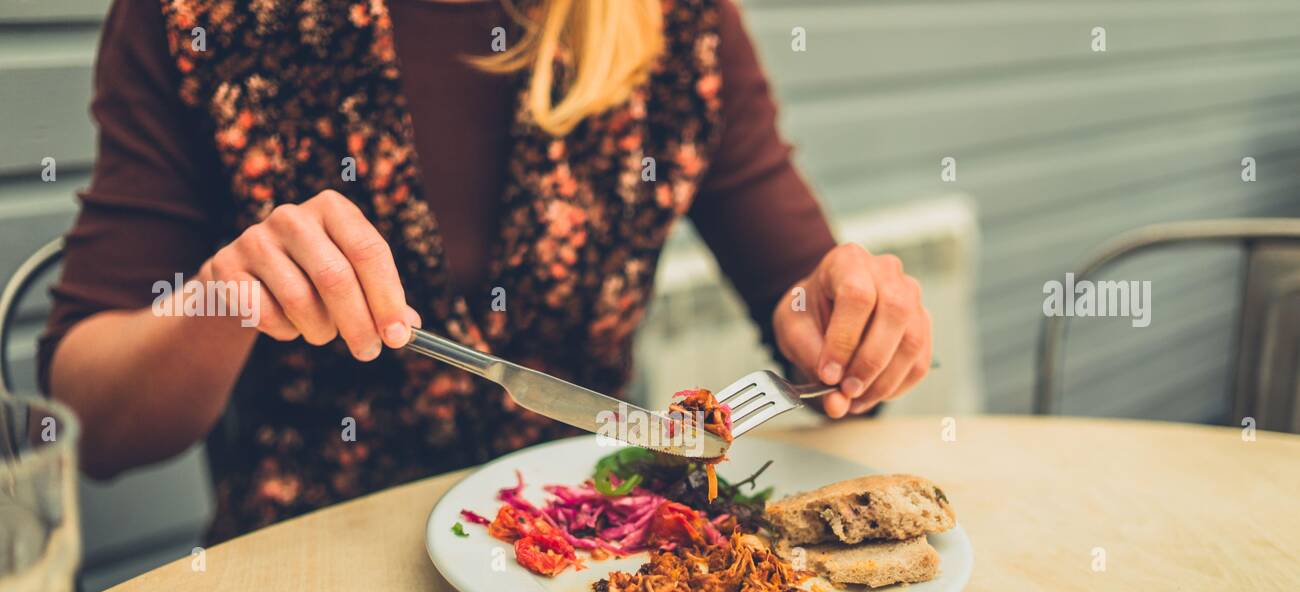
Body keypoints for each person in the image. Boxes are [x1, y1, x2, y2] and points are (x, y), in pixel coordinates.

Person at [40, 0, 932, 542]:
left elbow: (811, 313)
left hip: (598, 580)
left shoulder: (678, 26)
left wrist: (851, 327)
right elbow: (95, 423)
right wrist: (224, 299)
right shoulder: (209, 22)